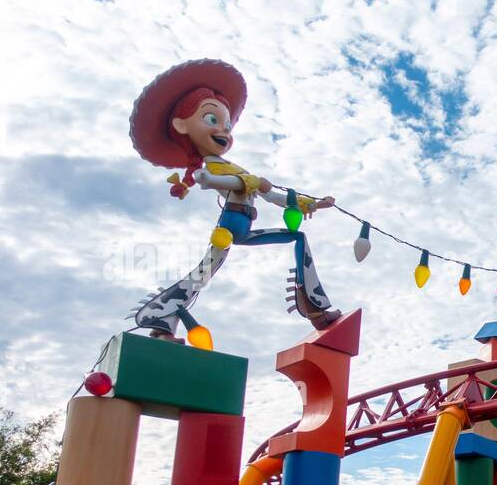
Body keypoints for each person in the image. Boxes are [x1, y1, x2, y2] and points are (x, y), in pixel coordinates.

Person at [128, 59, 342, 337]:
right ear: (181, 125)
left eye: (227, 124)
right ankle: (160, 319)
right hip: (227, 230)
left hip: (243, 229)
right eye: (212, 120)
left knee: (296, 238)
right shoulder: (217, 167)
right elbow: (215, 181)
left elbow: (277, 198)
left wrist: (313, 204)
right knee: (201, 276)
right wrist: (246, 182)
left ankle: (314, 307)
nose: (224, 131)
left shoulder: (236, 170)